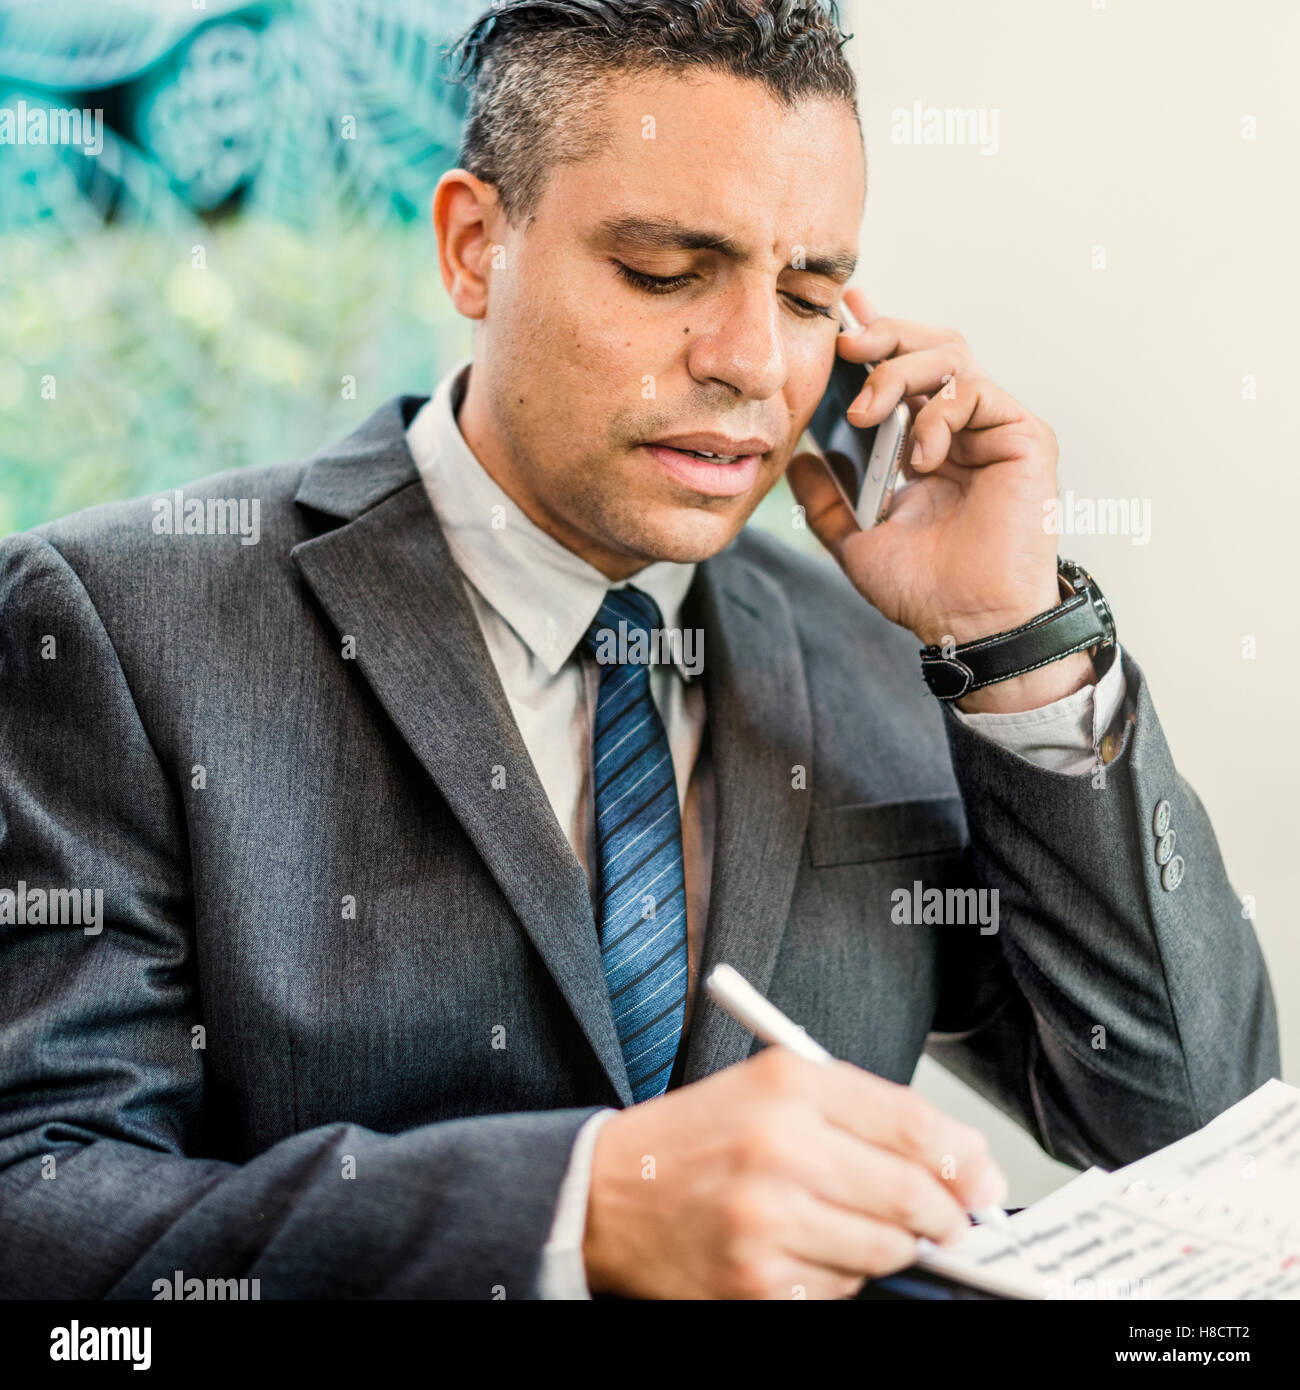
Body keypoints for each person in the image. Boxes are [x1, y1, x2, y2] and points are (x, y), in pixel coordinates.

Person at [0, 0, 1277, 1300]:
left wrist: (1018, 643)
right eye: (665, 271)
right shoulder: (118, 620)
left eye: (806, 293)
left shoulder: (891, 648)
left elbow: (1187, 1127)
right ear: (472, 246)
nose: (750, 364)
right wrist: (580, 1205)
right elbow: (41, 1210)